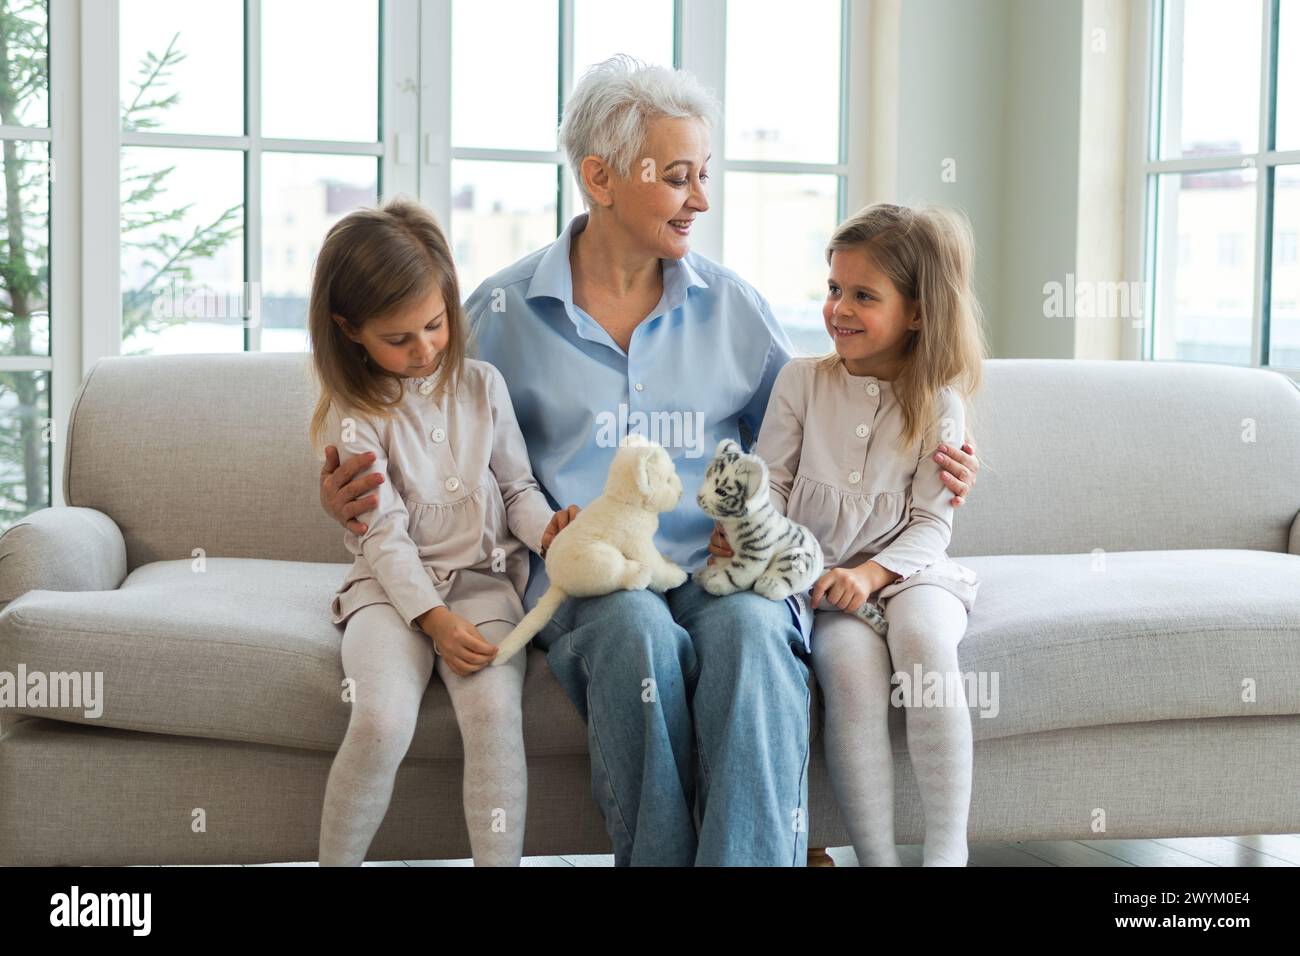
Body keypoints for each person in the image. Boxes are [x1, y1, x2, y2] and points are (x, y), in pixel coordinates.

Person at [318, 57, 982, 866]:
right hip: (588, 578)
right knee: (633, 630)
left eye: (703, 175)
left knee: (750, 633)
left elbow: (837, 414)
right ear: (600, 176)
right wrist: (344, 487)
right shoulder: (498, 312)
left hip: (719, 567)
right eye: (677, 178)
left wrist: (939, 456)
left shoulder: (733, 308)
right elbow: (402, 407)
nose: (701, 198)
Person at [306, 198, 579, 866]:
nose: (425, 349)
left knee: (494, 721)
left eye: (435, 325)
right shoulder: (357, 414)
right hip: (389, 595)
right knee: (380, 721)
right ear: (350, 330)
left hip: (486, 587)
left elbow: (518, 490)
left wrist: (551, 535)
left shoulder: (484, 386)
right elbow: (383, 534)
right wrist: (429, 618)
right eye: (400, 339)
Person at [755, 202, 986, 866]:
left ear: (915, 312)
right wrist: (752, 536)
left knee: (923, 643)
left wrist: (870, 576)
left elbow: (930, 525)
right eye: (833, 289)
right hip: (825, 579)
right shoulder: (802, 381)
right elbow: (769, 481)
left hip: (910, 574)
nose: (839, 308)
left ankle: (947, 849)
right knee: (849, 678)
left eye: (863, 295)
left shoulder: (939, 402)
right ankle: (877, 859)